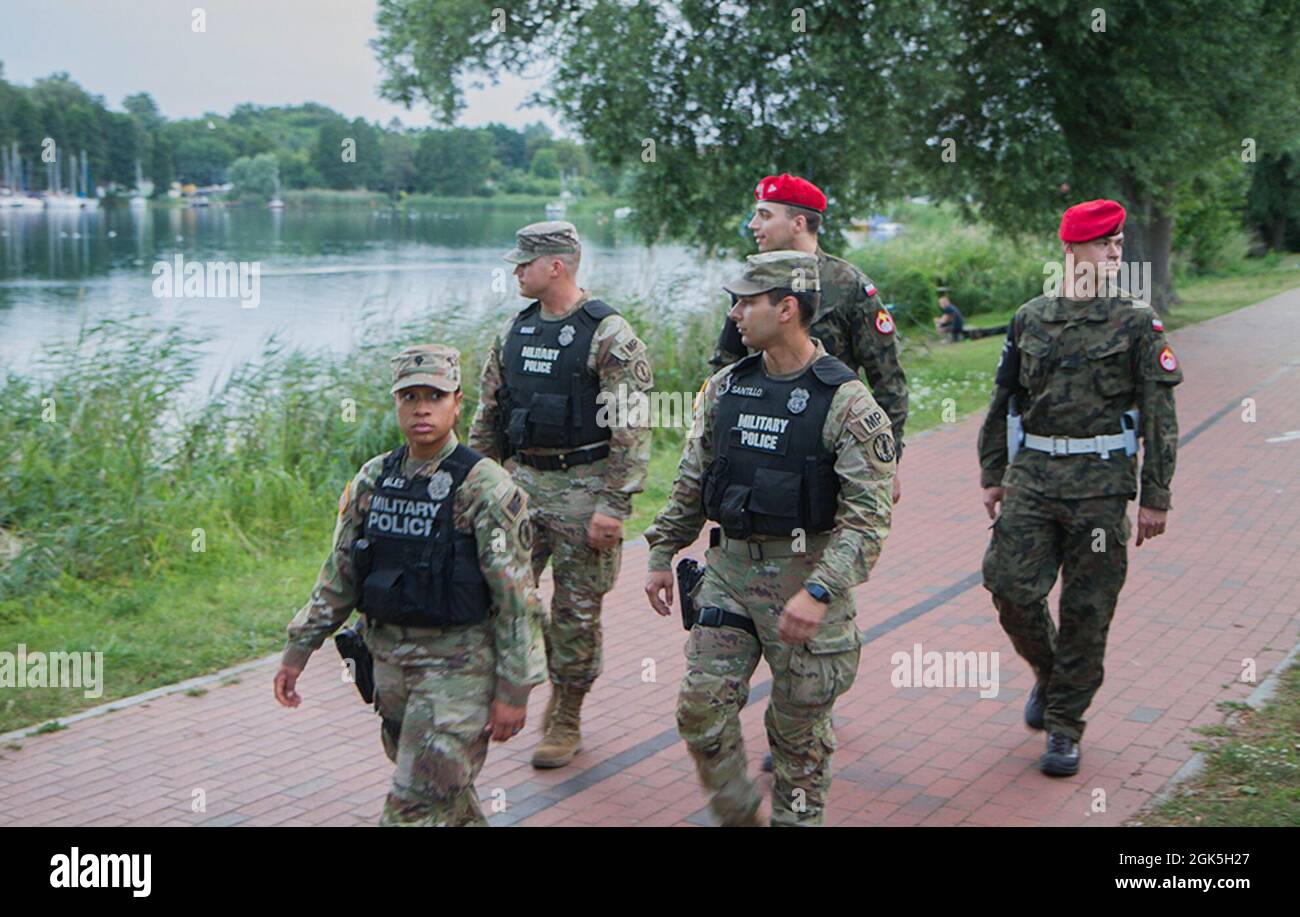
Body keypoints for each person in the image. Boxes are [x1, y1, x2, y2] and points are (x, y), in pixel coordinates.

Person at [644, 250, 896, 826]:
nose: (733, 313)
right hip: (728, 574)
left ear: (787, 309)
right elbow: (692, 479)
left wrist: (821, 592)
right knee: (700, 712)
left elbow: (867, 518)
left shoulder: (846, 401)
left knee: (797, 740)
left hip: (804, 583)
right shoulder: (727, 388)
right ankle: (737, 814)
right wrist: (663, 549)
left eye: (745, 302)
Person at [273, 344, 546, 826]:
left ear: (457, 402)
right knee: (448, 800)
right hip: (392, 673)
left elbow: (515, 596)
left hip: (458, 675)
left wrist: (515, 687)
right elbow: (340, 575)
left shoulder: (484, 486)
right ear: (396, 403)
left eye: (435, 396)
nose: (422, 407)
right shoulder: (374, 479)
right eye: (410, 396)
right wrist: (299, 648)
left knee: (412, 807)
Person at [977, 199, 1182, 776]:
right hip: (1034, 480)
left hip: (1101, 489)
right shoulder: (1030, 318)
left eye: (1118, 243)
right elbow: (1005, 400)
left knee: (1088, 610)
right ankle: (1053, 674)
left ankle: (1065, 725)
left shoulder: (1138, 322)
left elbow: (1160, 414)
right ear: (1071, 248)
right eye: (1102, 243)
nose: (1114, 252)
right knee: (1010, 588)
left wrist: (1156, 495)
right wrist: (994, 472)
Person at [469, 220, 653, 769]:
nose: (516, 272)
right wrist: (475, 484)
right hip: (519, 490)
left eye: (524, 263)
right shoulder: (515, 331)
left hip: (583, 494)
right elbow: (489, 415)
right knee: (500, 596)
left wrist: (614, 504)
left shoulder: (609, 334)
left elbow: (632, 424)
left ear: (556, 266)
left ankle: (565, 715)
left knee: (576, 612)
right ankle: (506, 688)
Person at [709, 173, 908, 505]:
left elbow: (889, 383)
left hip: (829, 453)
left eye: (765, 215)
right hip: (760, 442)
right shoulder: (754, 283)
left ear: (798, 222)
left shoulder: (848, 286)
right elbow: (724, 366)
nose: (753, 225)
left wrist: (888, 460)